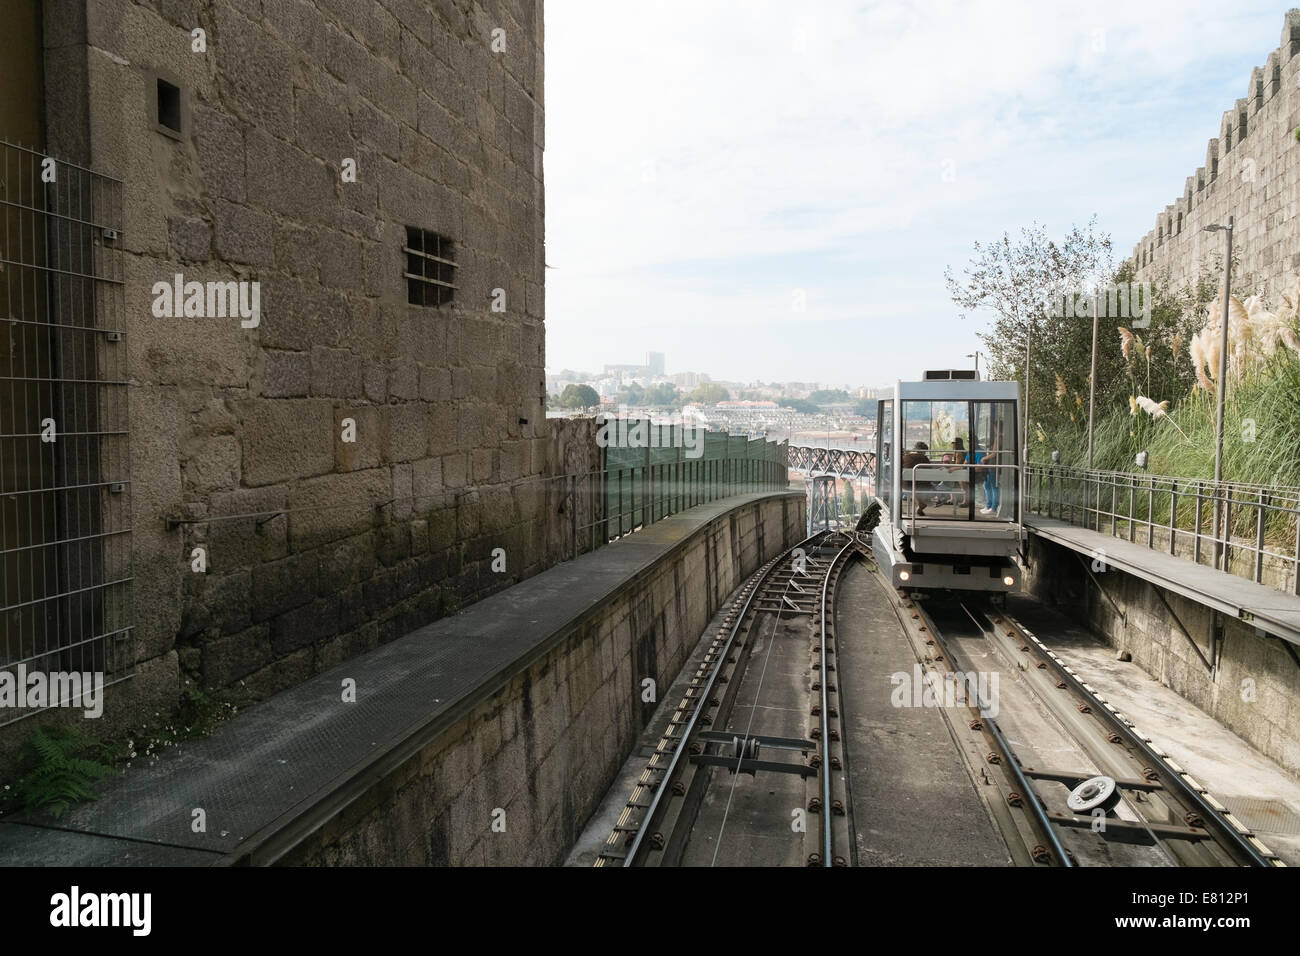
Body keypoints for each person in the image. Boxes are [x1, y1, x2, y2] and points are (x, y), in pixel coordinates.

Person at [900, 441, 932, 515]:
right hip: (921, 485)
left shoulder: (906, 457)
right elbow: (929, 470)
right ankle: (920, 503)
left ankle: (920, 504)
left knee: (913, 485)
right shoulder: (924, 458)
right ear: (923, 451)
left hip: (906, 484)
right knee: (920, 486)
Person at [981, 424, 1002, 515]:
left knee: (993, 486)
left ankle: (993, 507)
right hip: (992, 465)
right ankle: (989, 505)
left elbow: (994, 453)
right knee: (987, 485)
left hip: (994, 465)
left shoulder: (999, 438)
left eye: (994, 428)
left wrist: (984, 458)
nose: (994, 430)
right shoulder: (999, 438)